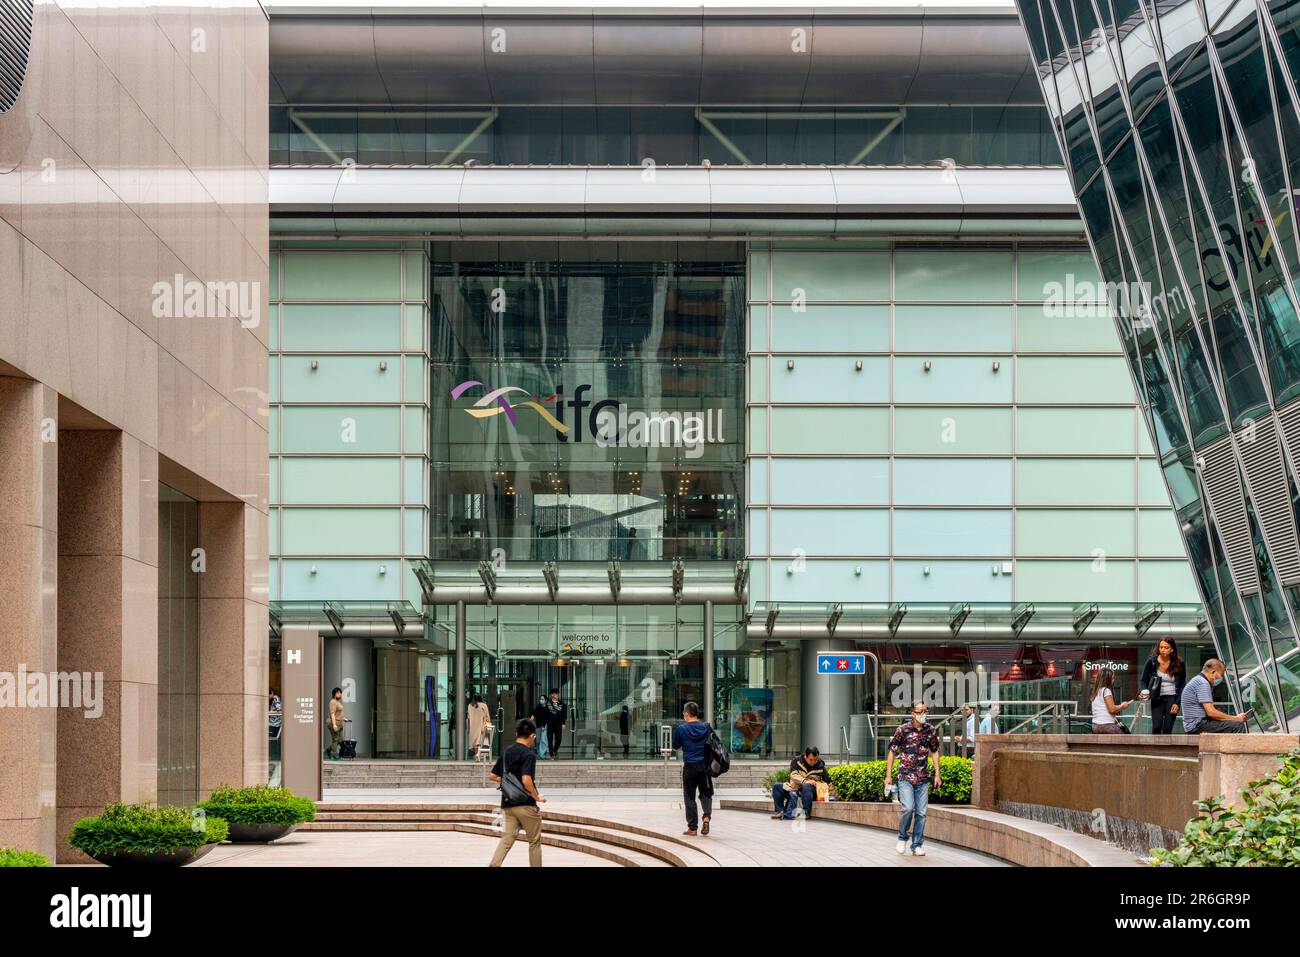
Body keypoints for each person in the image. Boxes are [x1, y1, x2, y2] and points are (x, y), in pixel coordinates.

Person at [885, 700, 941, 857]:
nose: (923, 714)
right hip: (905, 776)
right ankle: (902, 837)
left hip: (923, 778)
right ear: (913, 713)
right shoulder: (902, 730)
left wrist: (937, 774)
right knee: (908, 808)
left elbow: (935, 751)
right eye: (920, 711)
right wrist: (888, 775)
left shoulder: (930, 730)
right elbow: (892, 751)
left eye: (925, 711)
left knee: (922, 813)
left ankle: (916, 845)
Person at [488, 719, 546, 867]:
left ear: (517, 733)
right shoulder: (529, 754)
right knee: (534, 842)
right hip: (526, 805)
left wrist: (508, 781)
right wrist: (536, 797)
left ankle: (493, 865)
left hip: (508, 804)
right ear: (533, 736)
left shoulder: (507, 751)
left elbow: (492, 776)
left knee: (506, 840)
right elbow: (526, 780)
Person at [671, 701, 713, 836]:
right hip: (704, 766)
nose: (683, 714)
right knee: (705, 793)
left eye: (684, 712)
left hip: (690, 766)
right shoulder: (706, 727)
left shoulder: (681, 729)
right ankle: (706, 817)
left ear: (687, 713)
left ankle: (693, 828)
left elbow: (675, 747)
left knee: (689, 797)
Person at [1181, 658, 1249, 734]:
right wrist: (1236, 718)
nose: (1221, 678)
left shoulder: (1198, 680)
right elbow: (1211, 712)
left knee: (1231, 722)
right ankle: (1236, 746)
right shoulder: (1203, 683)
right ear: (1213, 672)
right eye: (1221, 675)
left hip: (1196, 723)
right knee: (1237, 725)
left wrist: (1234, 718)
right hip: (1197, 725)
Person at [1140, 637, 1187, 735]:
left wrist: (1177, 703)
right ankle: (1154, 749)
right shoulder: (1152, 661)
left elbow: (1182, 684)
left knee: (1167, 728)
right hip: (1157, 697)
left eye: (1166, 647)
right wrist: (1144, 690)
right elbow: (1143, 680)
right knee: (1156, 726)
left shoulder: (1179, 663)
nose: (1163, 650)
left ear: (1172, 649)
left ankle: (1166, 750)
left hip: (1172, 698)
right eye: (1161, 647)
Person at [770, 746, 831, 820]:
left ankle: (805, 812)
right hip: (795, 788)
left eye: (815, 760)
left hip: (810, 791)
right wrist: (805, 781)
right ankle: (780, 811)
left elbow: (828, 781)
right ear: (805, 756)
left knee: (807, 786)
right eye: (811, 760)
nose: (813, 762)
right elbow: (793, 775)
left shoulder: (821, 766)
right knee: (777, 787)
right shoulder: (797, 761)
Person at [1089, 668, 1132, 734]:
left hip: (1095, 726)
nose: (1113, 680)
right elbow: (1112, 709)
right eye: (1112, 678)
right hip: (1106, 725)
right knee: (1127, 739)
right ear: (1107, 680)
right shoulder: (1106, 691)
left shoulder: (1095, 692)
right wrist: (1122, 706)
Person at [544, 688, 568, 758]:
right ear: (552, 695)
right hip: (550, 723)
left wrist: (563, 723)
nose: (557, 695)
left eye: (558, 693)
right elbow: (544, 713)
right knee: (550, 739)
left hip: (558, 723)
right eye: (556, 693)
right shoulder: (548, 703)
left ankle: (555, 750)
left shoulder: (562, 703)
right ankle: (551, 754)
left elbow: (564, 714)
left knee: (559, 739)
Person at [467, 693, 491, 758]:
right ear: (481, 698)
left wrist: (468, 728)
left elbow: (469, 717)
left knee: (474, 742)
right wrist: (489, 722)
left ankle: (477, 754)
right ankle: (478, 754)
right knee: (479, 740)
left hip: (472, 726)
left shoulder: (470, 705)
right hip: (481, 725)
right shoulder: (484, 705)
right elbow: (487, 716)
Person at [326, 687, 345, 760]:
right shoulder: (333, 702)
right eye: (338, 693)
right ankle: (332, 754)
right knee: (336, 739)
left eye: (340, 693)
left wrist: (344, 719)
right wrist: (334, 725)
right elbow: (332, 714)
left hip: (339, 724)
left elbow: (339, 713)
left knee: (340, 740)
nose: (340, 694)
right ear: (334, 694)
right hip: (333, 723)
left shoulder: (338, 702)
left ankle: (328, 749)